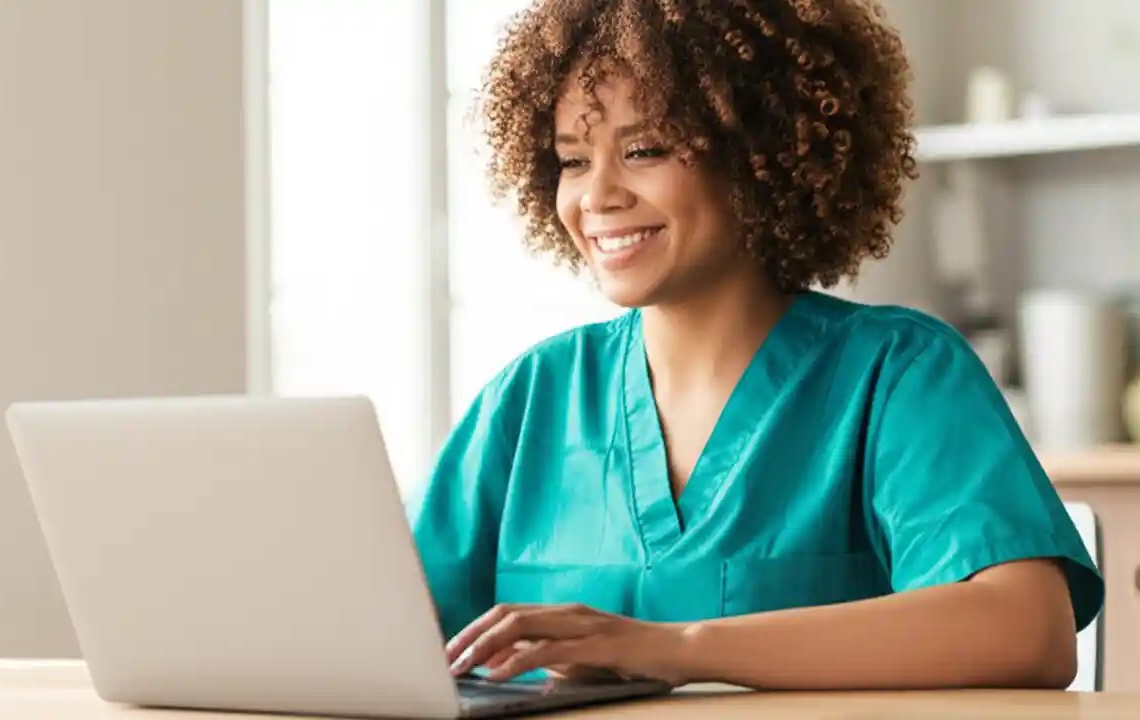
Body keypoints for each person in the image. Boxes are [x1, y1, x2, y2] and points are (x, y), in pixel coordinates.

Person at [407, 0, 1103, 690]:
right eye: (572, 160)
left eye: (644, 150)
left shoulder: (898, 374)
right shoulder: (530, 399)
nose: (597, 196)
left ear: (759, 152)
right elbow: (385, 637)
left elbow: (1025, 629)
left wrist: (671, 648)